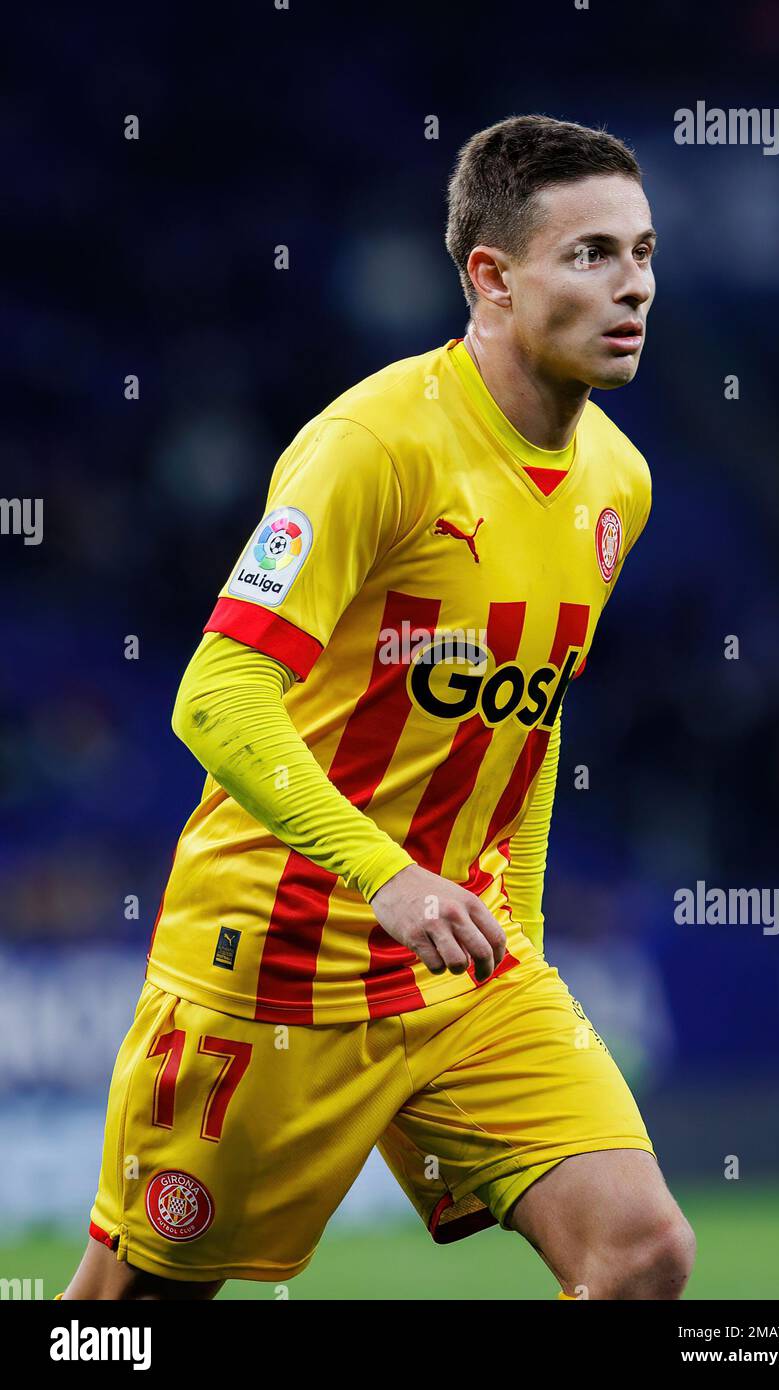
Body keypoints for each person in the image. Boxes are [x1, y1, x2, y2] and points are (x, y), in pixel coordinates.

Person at [64, 113, 695, 1301]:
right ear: (490, 278)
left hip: (462, 968)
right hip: (280, 964)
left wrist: (521, 928)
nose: (634, 287)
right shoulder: (373, 445)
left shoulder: (619, 480)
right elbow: (215, 694)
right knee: (130, 1315)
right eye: (591, 254)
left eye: (643, 252)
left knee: (640, 1253)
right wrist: (387, 876)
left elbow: (527, 721)